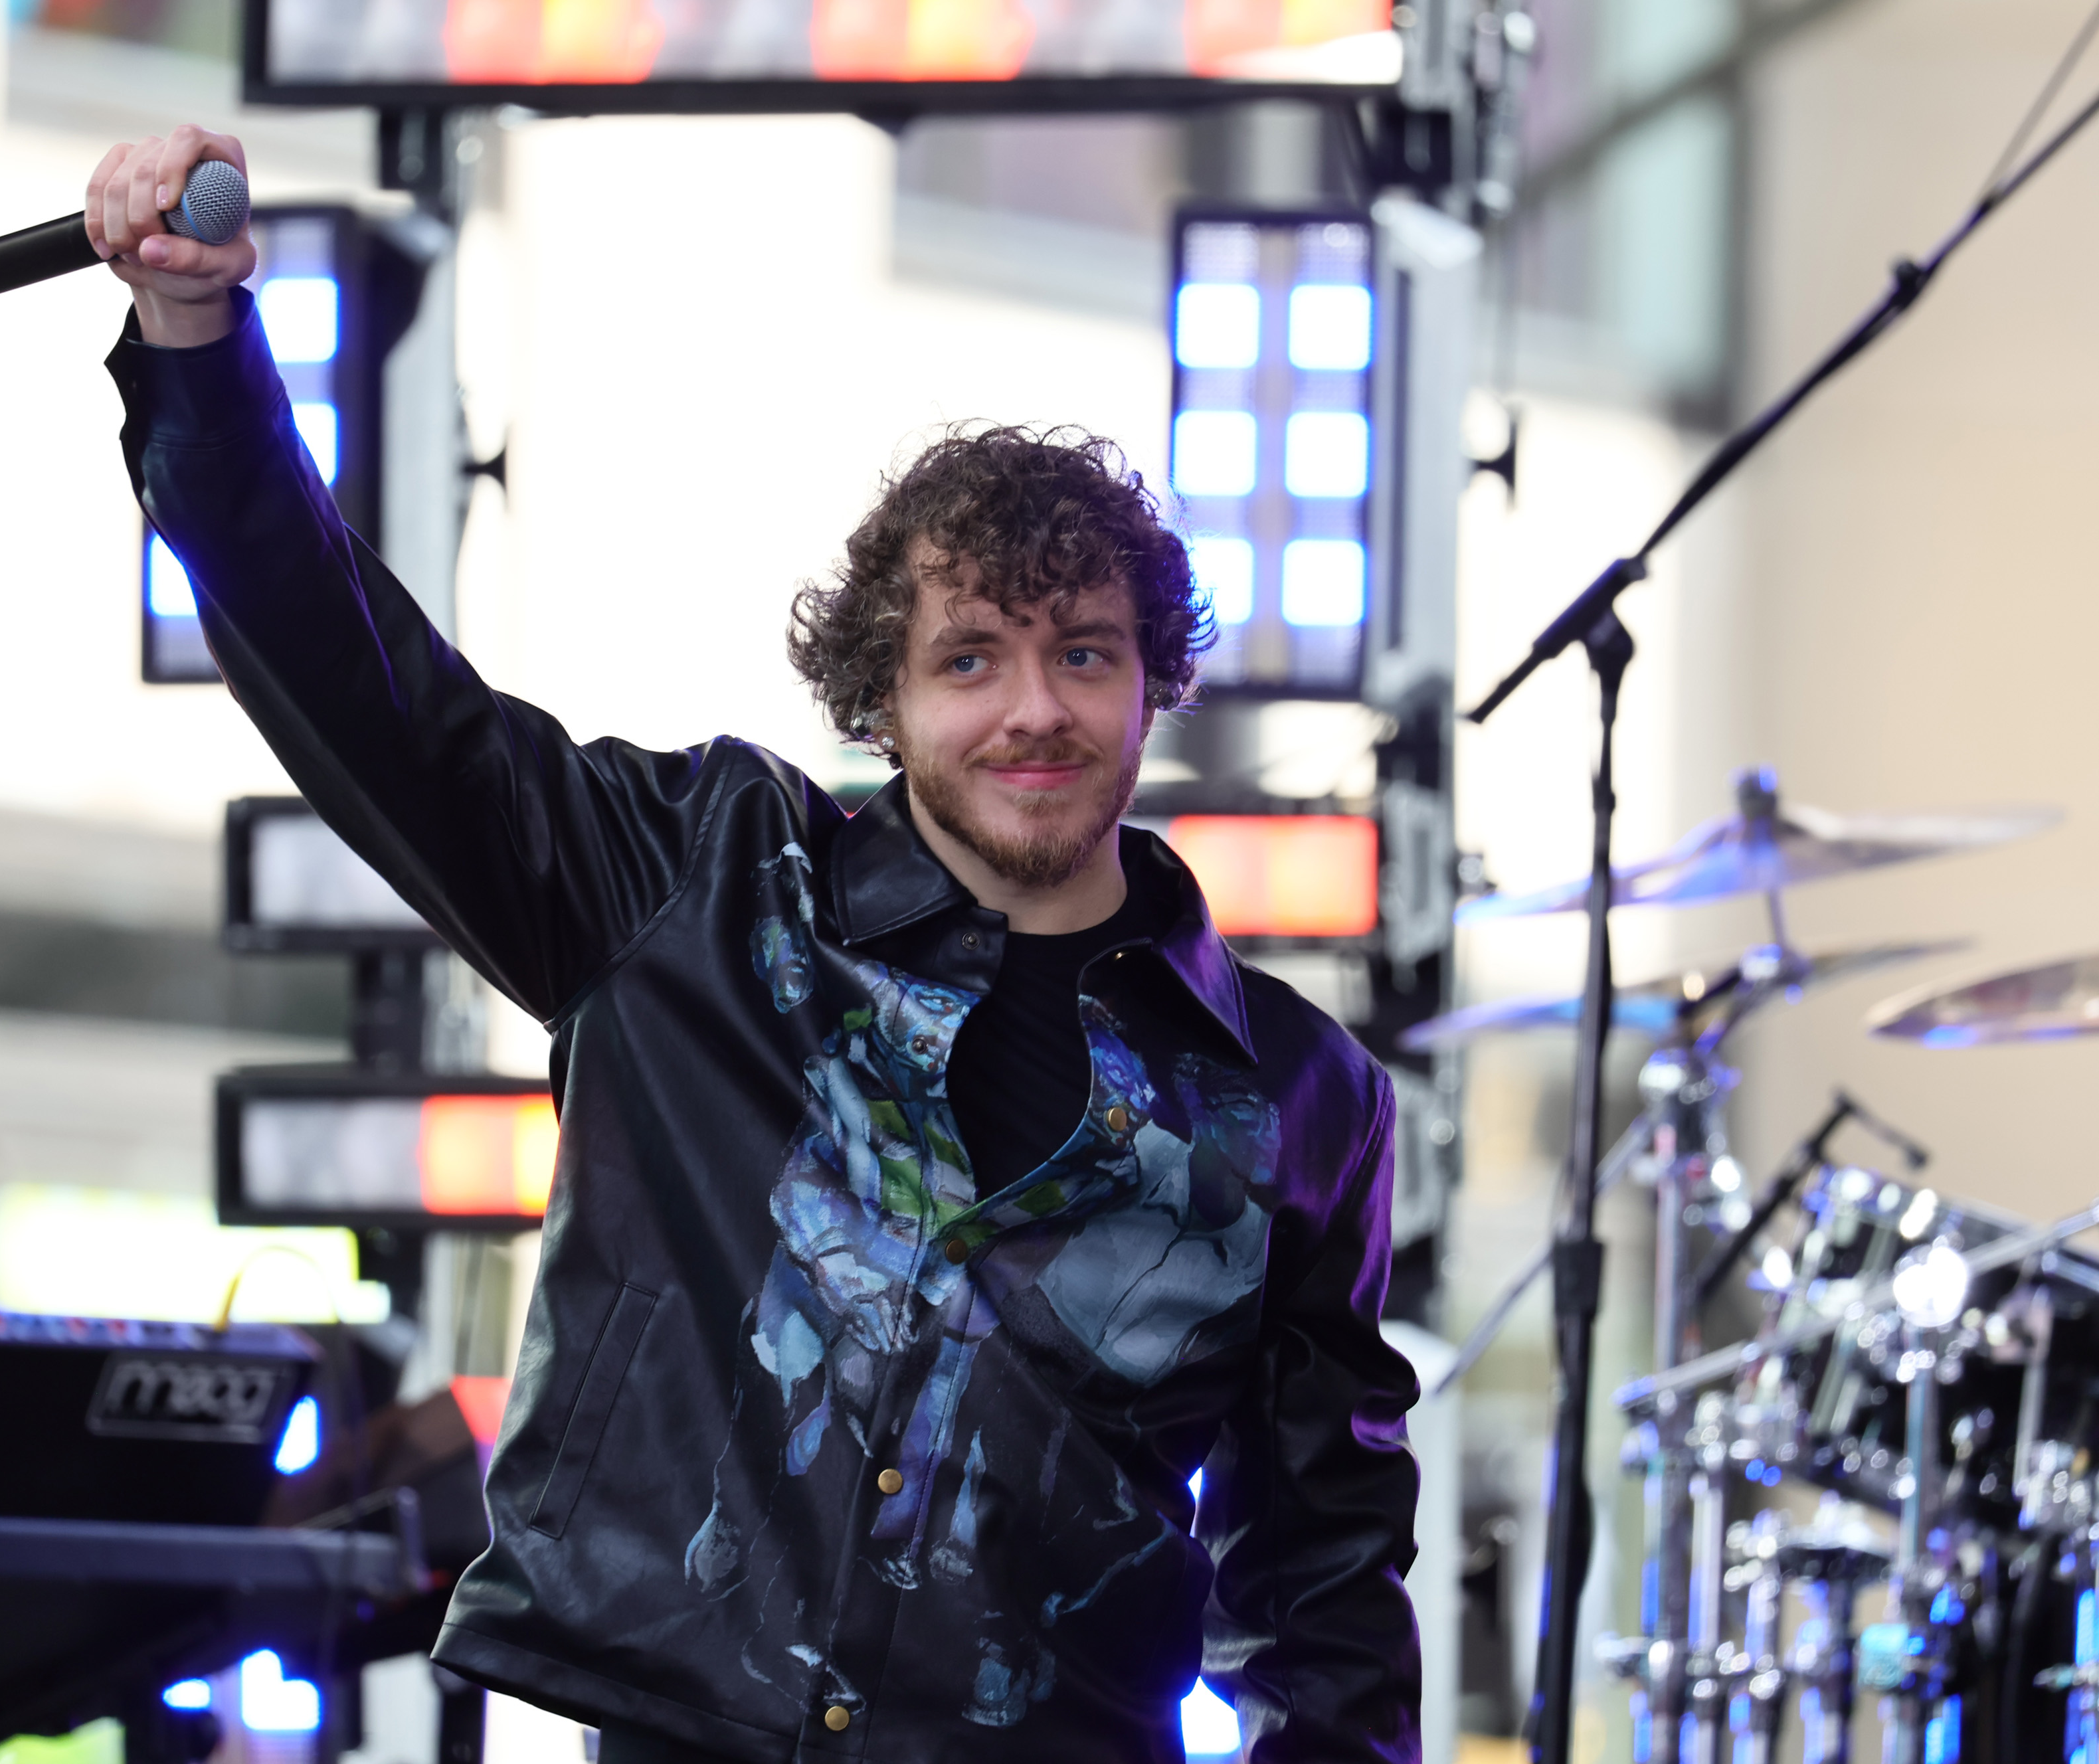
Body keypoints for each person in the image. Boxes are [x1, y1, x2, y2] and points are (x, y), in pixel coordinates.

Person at [88, 126, 1422, 1764]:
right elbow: (354, 677)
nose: (1034, 709)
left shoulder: (1300, 1094)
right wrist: (200, 343)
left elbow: (1326, 1583)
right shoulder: (698, 885)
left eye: (1085, 652)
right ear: (884, 697)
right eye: (971, 658)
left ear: (1155, 681)